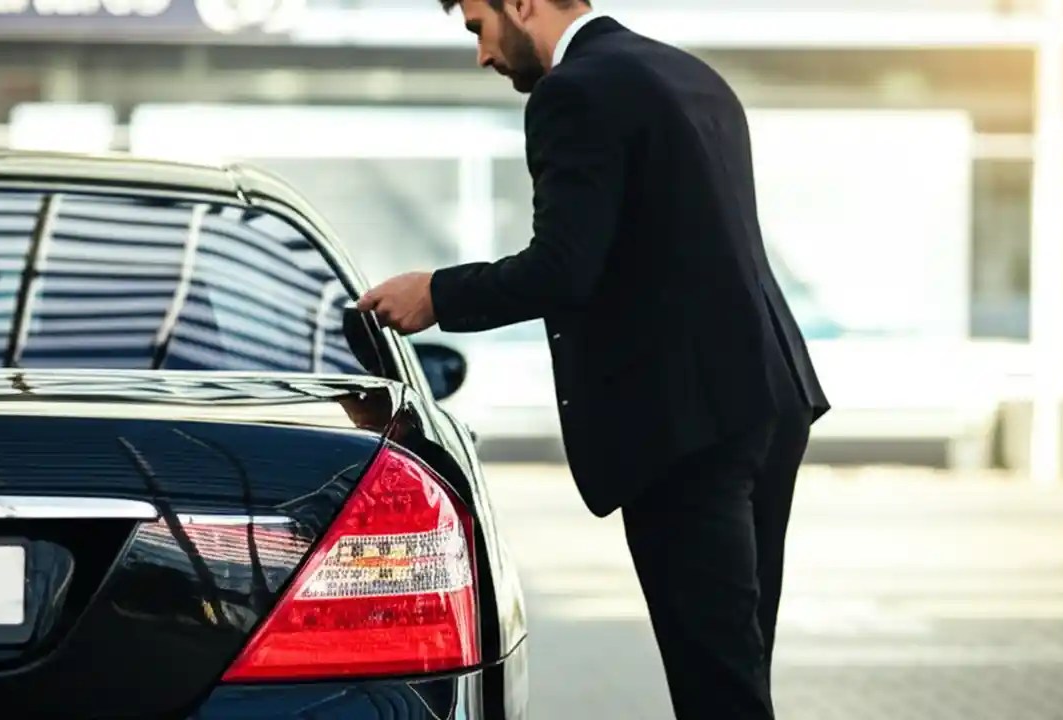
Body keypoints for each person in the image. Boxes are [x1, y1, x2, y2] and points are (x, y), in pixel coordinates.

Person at [355, 1, 831, 717]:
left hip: (687, 427)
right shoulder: (689, 73)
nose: (483, 54)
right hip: (765, 399)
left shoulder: (573, 91)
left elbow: (563, 268)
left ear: (521, 5)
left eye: (478, 27)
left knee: (717, 684)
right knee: (735, 668)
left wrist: (435, 294)